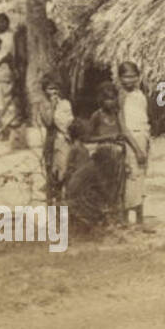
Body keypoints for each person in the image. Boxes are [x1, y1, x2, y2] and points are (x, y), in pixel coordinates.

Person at [65, 82, 128, 234]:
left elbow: (124, 133)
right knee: (105, 187)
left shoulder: (118, 115)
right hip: (104, 154)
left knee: (118, 186)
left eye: (112, 98)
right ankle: (105, 219)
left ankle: (118, 218)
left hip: (118, 154)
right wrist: (108, 137)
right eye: (106, 99)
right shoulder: (97, 116)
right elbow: (87, 138)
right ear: (100, 100)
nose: (110, 102)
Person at [118, 61, 151, 227]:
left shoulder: (139, 93)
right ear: (120, 78)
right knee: (130, 177)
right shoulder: (121, 96)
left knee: (140, 179)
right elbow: (123, 126)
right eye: (126, 76)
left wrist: (145, 144)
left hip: (142, 137)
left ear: (138, 77)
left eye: (133, 76)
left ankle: (139, 219)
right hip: (130, 140)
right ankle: (125, 219)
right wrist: (137, 148)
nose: (129, 80)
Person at [37, 73, 74, 205]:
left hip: (63, 141)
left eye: (56, 88)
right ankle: (49, 205)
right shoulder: (43, 104)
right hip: (51, 142)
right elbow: (48, 122)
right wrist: (52, 106)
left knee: (63, 174)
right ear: (44, 89)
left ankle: (60, 205)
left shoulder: (64, 103)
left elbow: (69, 121)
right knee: (51, 175)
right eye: (50, 88)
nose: (54, 92)